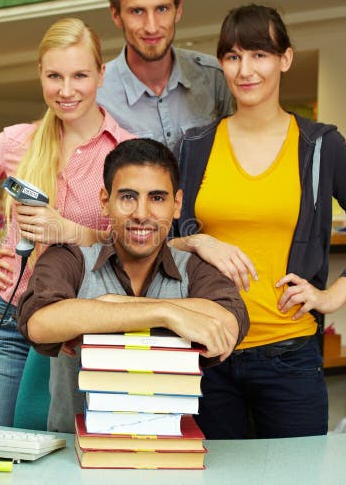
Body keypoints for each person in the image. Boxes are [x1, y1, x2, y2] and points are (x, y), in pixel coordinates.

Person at [173, 4, 346, 439]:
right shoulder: (196, 146)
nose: (246, 69)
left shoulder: (319, 147)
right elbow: (166, 239)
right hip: (206, 352)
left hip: (289, 356)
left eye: (260, 54)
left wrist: (333, 296)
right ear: (222, 64)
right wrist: (200, 242)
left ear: (285, 59)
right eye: (233, 56)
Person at [0, 18, 135, 426]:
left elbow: (136, 242)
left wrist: (72, 232)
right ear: (40, 75)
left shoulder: (127, 152)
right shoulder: (16, 142)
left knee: (63, 446)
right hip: (5, 318)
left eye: (79, 75)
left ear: (101, 74)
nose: (66, 90)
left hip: (78, 327)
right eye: (54, 76)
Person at [16, 138, 249, 433]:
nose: (141, 213)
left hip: (168, 458)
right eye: (127, 197)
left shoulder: (195, 264)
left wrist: (110, 307)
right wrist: (166, 315)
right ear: (105, 201)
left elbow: (228, 323)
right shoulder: (69, 258)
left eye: (157, 198)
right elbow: (39, 322)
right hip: (74, 459)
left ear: (177, 204)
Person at [97, 0, 232, 150]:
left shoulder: (214, 78)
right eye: (137, 11)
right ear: (116, 15)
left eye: (162, 9)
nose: (151, 27)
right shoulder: (97, 94)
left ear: (178, 10)